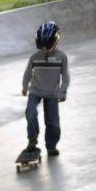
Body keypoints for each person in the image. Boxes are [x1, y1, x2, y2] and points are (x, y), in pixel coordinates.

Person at [22, 21, 69, 157]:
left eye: (48, 46)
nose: (45, 50)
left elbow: (65, 76)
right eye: (42, 46)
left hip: (52, 93)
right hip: (35, 91)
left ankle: (51, 145)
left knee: (52, 122)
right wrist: (25, 86)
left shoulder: (61, 57)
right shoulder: (35, 57)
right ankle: (32, 139)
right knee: (30, 114)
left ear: (56, 41)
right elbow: (27, 73)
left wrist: (63, 91)